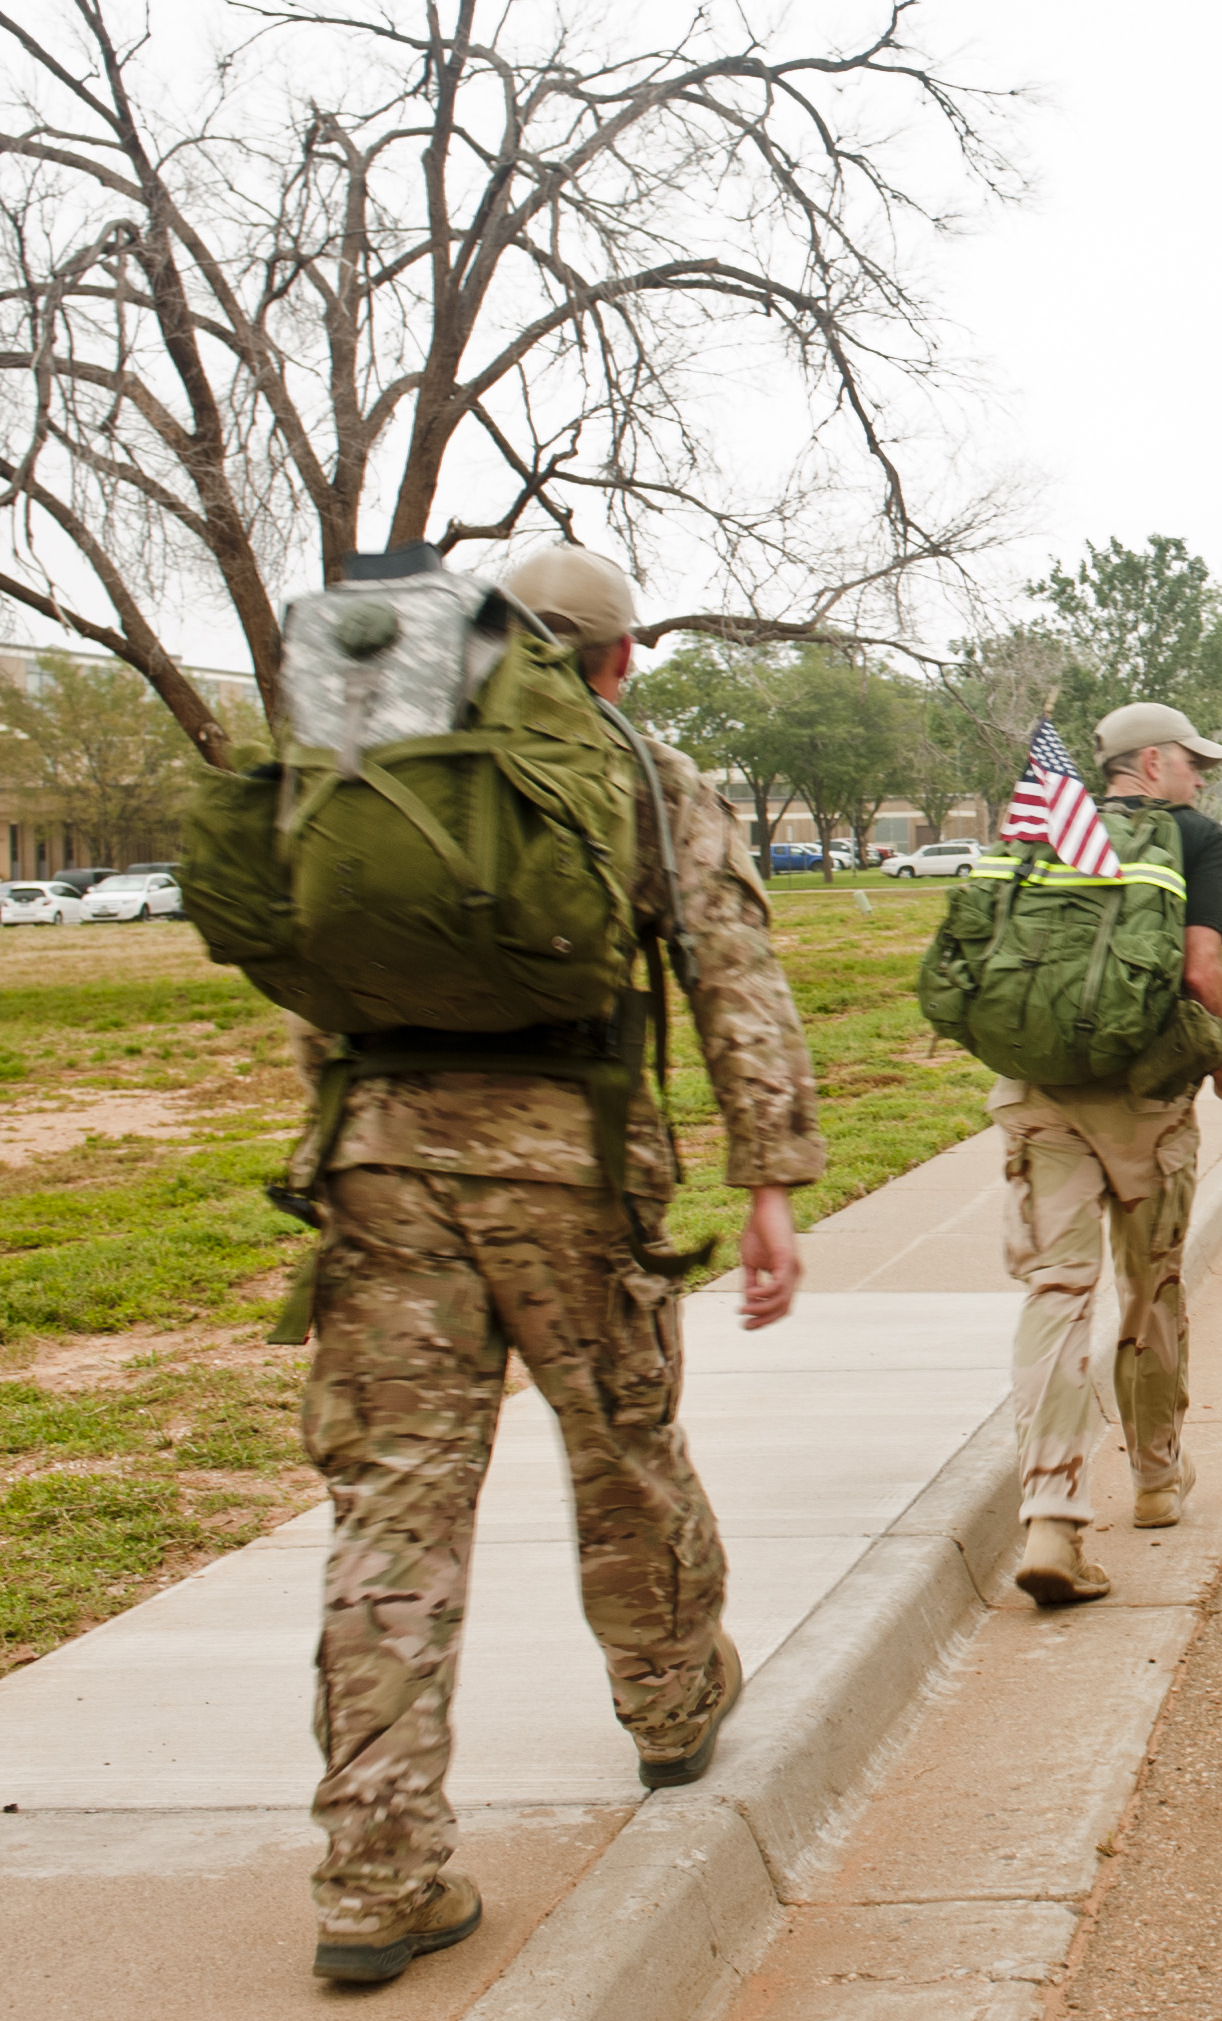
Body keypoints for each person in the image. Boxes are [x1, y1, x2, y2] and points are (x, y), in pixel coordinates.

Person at [291, 544, 822, 1982]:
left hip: (379, 1169)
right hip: (573, 1172)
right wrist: (769, 1181)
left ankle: (377, 1872)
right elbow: (736, 982)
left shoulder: (374, 766)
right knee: (622, 1452)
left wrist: (349, 1143)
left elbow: (321, 979)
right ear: (617, 655)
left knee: (392, 1514)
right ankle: (666, 1709)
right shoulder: (645, 778)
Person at [993, 702, 1222, 1606]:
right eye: (1194, 762)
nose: (1202, 777)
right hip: (1148, 1108)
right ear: (1151, 764)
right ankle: (1154, 1479)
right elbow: (1200, 971)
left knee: (1057, 1295)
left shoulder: (1040, 827)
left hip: (1040, 1100)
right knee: (1150, 1287)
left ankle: (1050, 1516)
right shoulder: (1197, 838)